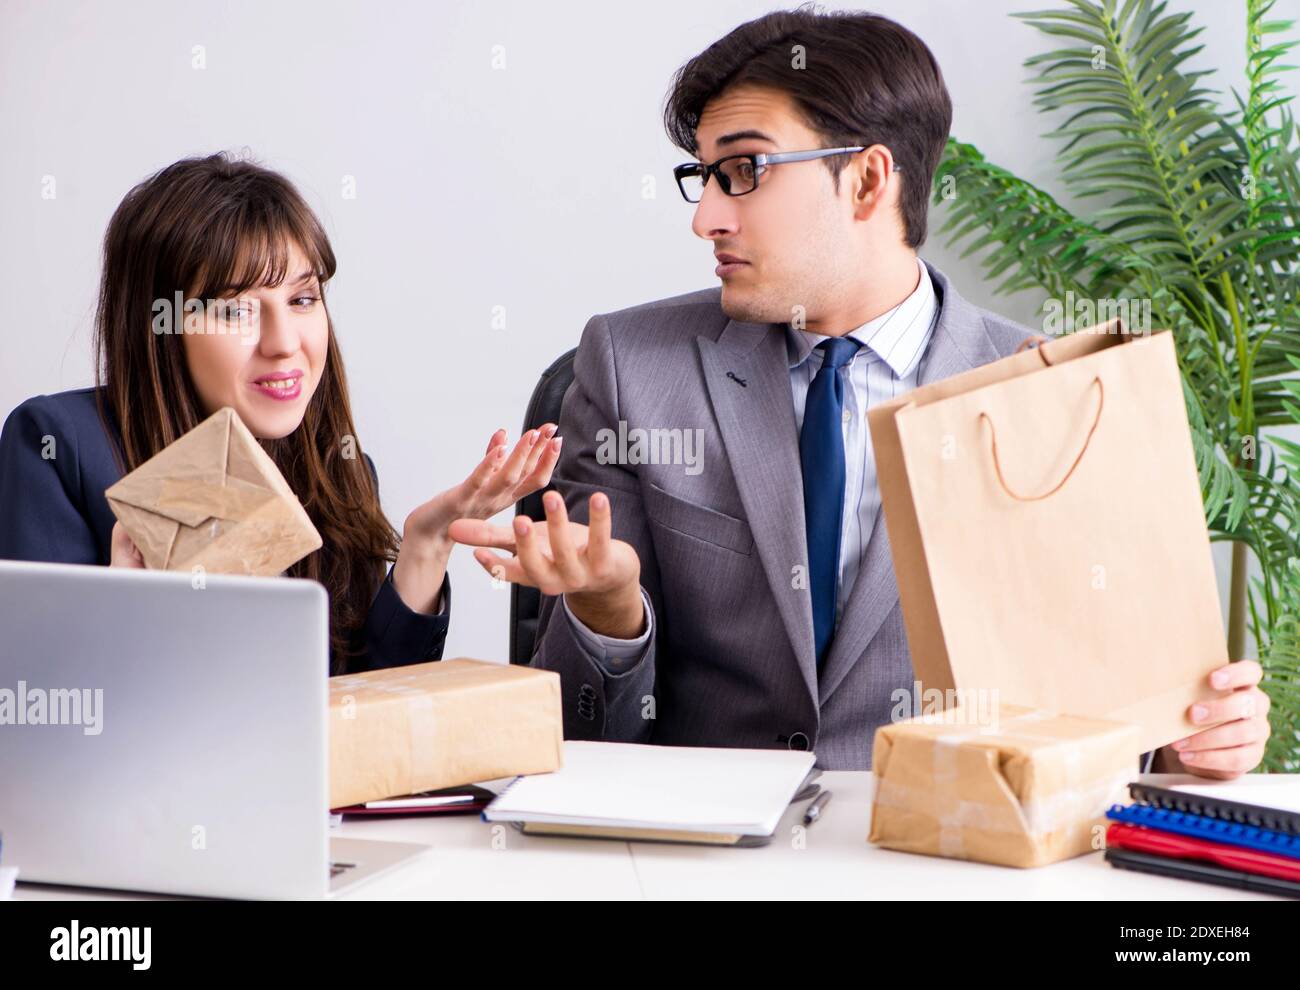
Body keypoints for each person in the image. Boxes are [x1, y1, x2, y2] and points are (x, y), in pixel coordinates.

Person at [451, 8, 1269, 777]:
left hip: (948, 856)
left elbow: (1118, 723)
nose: (705, 218)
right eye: (702, 177)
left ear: (870, 182)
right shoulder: (633, 365)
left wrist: (1191, 742)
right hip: (700, 861)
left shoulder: (1052, 391)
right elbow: (575, 741)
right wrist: (608, 612)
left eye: (743, 171)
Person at [0, 153, 560, 674]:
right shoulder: (61, 445)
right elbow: (41, 713)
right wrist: (136, 621)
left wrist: (428, 543)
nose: (283, 343)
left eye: (302, 299)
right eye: (236, 309)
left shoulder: (339, 468)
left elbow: (366, 711)